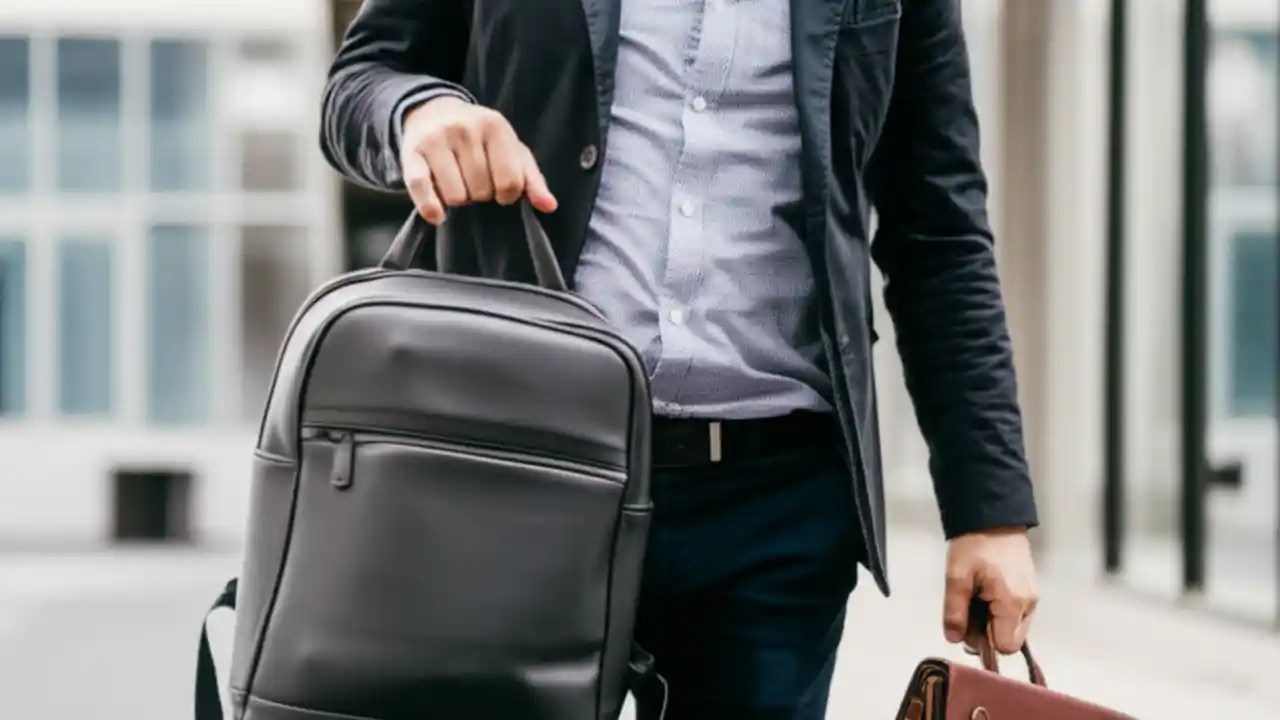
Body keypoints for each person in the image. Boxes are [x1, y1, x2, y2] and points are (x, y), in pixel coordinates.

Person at [320, 0, 1040, 717]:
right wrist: (417, 112)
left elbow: (939, 235)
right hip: (528, 470)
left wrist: (989, 513)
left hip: (776, 507)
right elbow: (361, 81)